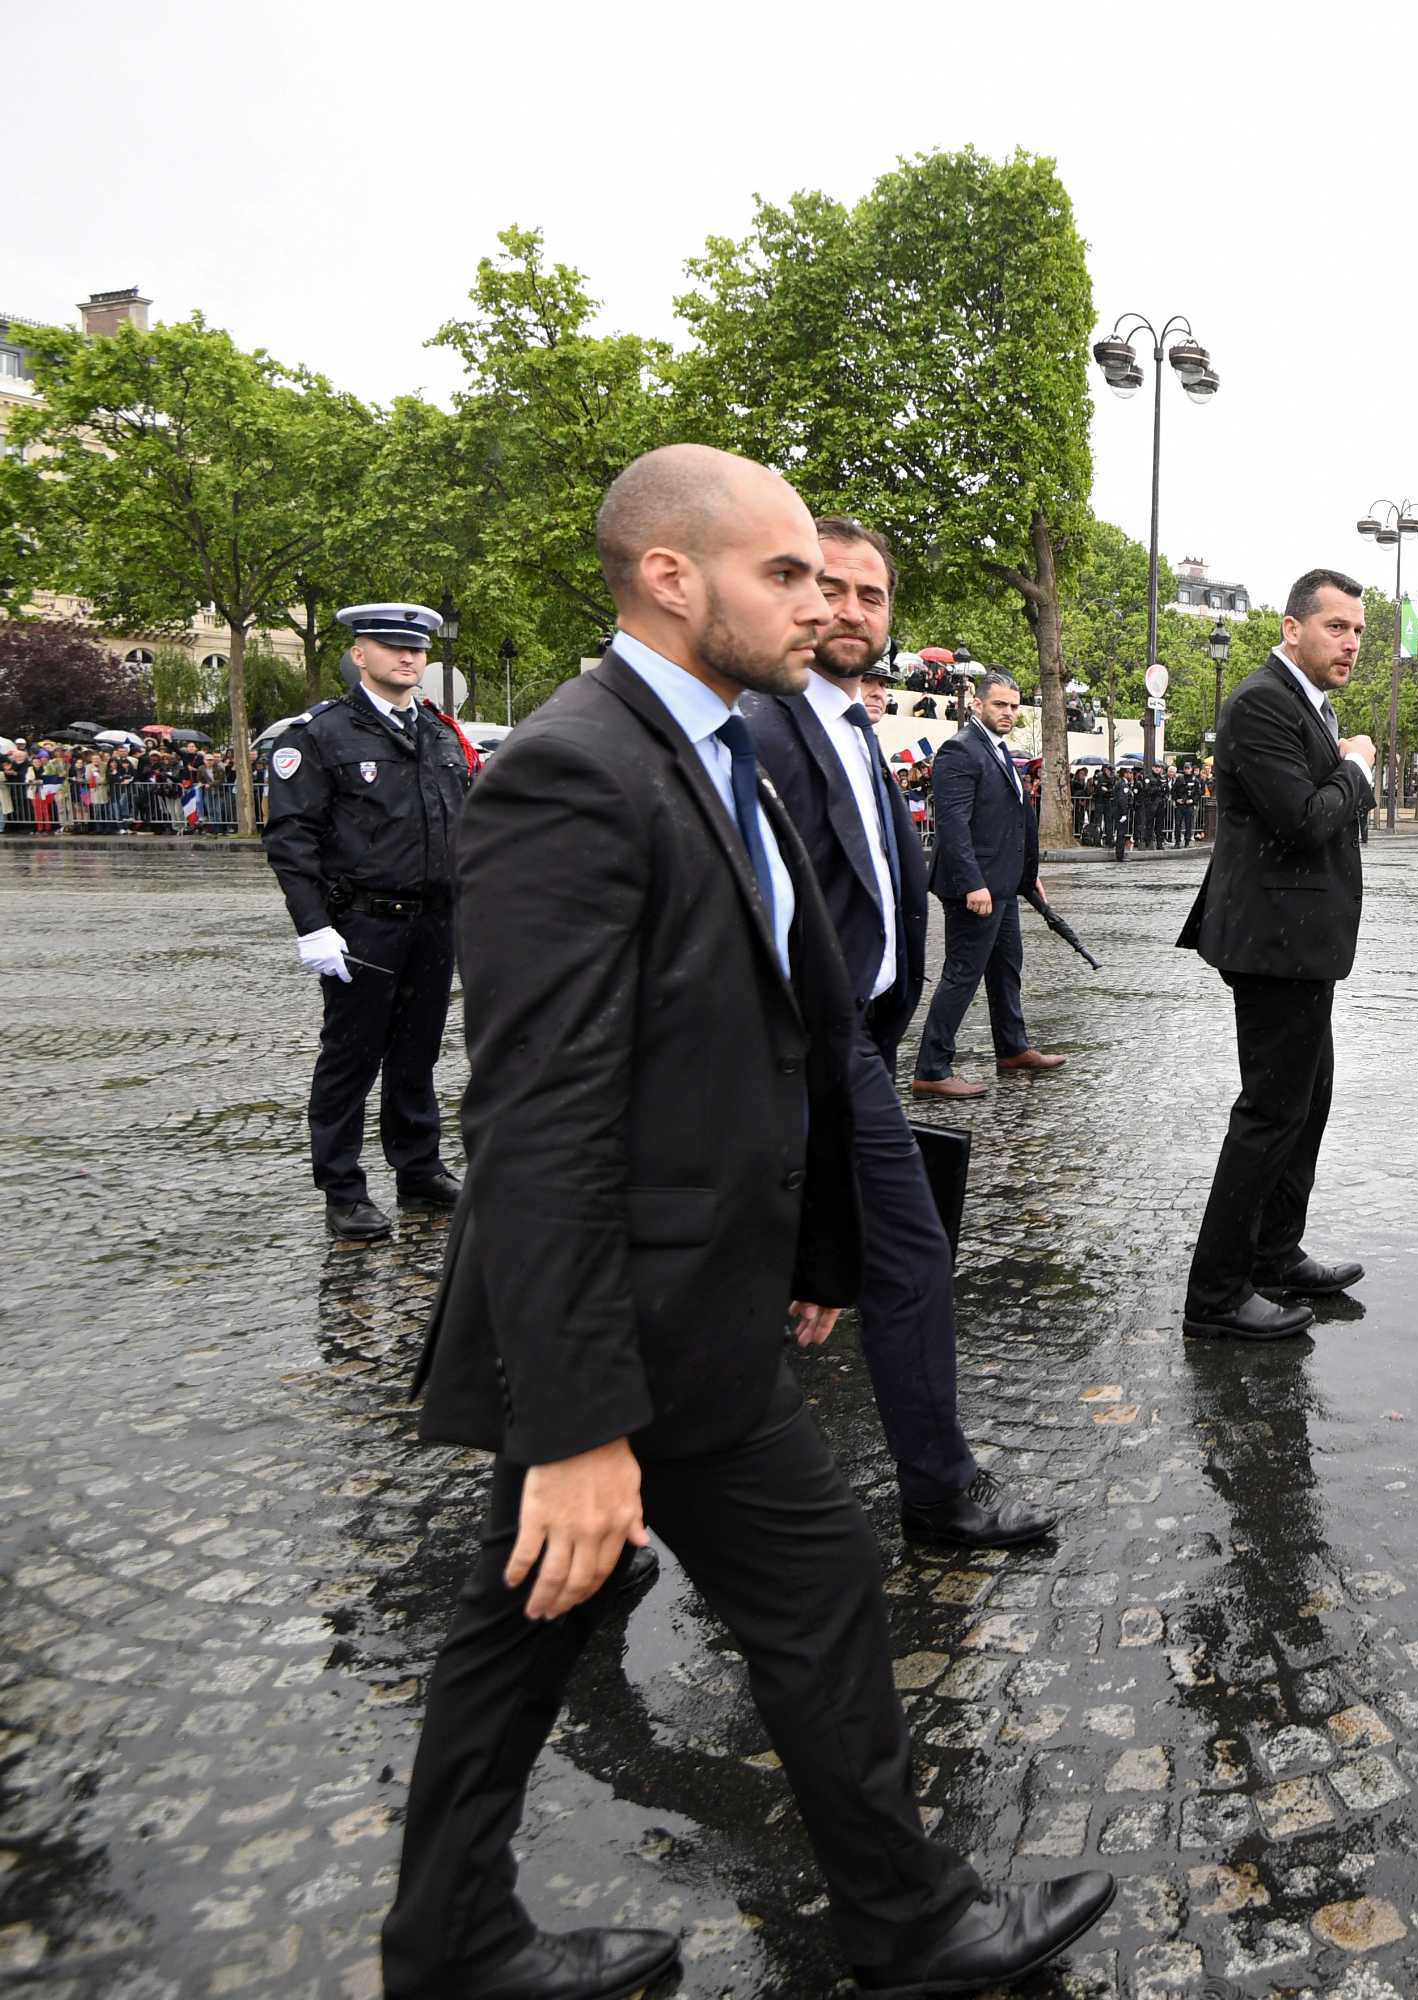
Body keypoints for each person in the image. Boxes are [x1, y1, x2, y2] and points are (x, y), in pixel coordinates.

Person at [381, 445, 1109, 2000]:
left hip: (691, 1291)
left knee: (534, 1614)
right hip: (625, 1321)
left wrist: (802, 1253)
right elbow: (540, 1113)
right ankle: (906, 1927)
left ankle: (449, 1939)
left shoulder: (728, 748)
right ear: (669, 575)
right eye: (782, 573)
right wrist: (581, 1425)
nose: (820, 603)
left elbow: (767, 1032)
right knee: (806, 1588)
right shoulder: (580, 767)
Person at [741, 515, 1052, 1554]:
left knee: (876, 1262)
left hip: (859, 1044)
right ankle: (928, 1493)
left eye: (872, 595)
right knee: (871, 1263)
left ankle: (920, 1492)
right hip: (790, 1055)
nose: (850, 610)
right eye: (828, 586)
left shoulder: (849, 723)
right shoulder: (765, 725)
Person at [1176, 570, 1379, 1343]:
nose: (1351, 642)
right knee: (1268, 1114)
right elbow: (1304, 820)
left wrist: (1342, 762)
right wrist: (1356, 768)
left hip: (1298, 947)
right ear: (1292, 628)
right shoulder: (1263, 702)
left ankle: (1274, 1254)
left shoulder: (1303, 705)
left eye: (1358, 630)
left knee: (1308, 1099)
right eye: (1336, 626)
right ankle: (1216, 1295)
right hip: (1272, 946)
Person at [258, 602, 474, 1242]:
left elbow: (465, 824)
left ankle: (419, 1170)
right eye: (391, 646)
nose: (408, 658)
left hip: (435, 921)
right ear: (359, 655)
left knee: (418, 1054)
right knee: (351, 1058)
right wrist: (312, 926)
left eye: (417, 649)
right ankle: (344, 1188)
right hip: (364, 923)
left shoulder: (438, 731)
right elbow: (291, 839)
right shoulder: (320, 735)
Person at [912, 674, 1066, 1094]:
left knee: (1005, 971)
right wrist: (972, 884)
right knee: (962, 975)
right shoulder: (960, 750)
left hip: (1004, 885)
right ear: (978, 704)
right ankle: (931, 1069)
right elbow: (953, 825)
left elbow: (1011, 823)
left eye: (1015, 707)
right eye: (1000, 705)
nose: (1009, 713)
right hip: (974, 889)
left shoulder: (999, 751)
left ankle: (1013, 1048)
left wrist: (1027, 876)